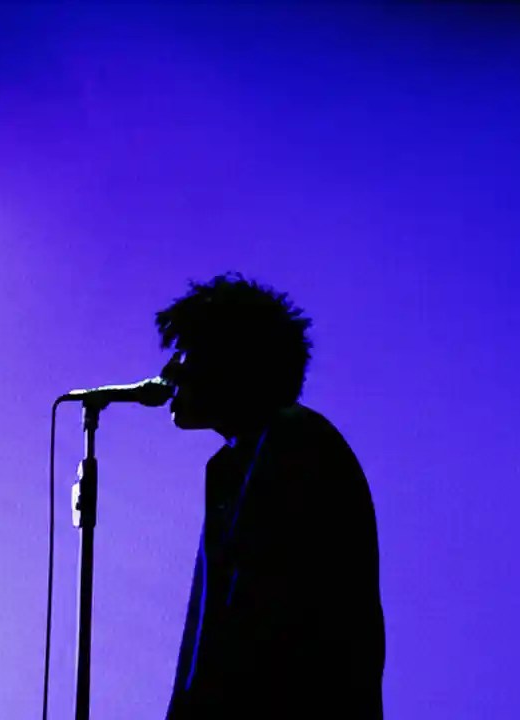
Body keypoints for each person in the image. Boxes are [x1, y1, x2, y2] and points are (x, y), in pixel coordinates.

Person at [156, 272, 385, 719]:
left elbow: (255, 626)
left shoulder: (294, 444)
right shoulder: (248, 458)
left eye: (185, 353)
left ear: (230, 361)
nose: (169, 372)